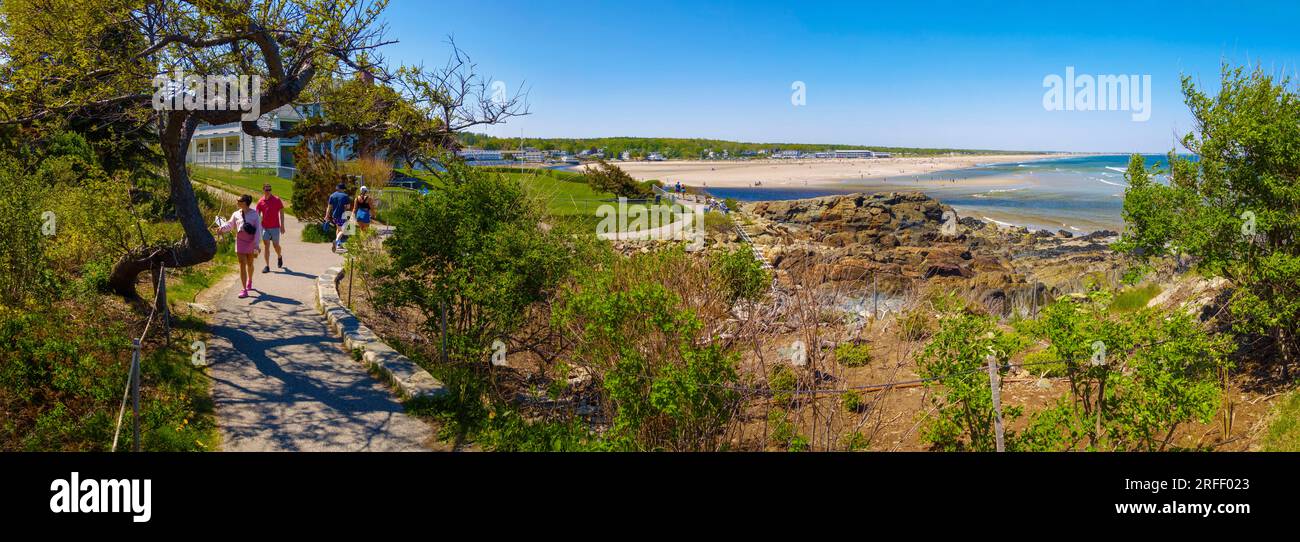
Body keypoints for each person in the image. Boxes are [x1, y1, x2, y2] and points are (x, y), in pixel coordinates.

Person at [214, 194, 263, 299]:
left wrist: (256, 245)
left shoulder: (255, 215)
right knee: (242, 264)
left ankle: (250, 280)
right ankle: (244, 289)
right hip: (240, 241)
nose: (237, 202)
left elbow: (258, 231)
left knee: (250, 264)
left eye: (239, 200)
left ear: (245, 202)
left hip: (251, 242)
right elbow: (230, 225)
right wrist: (222, 229)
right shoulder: (236, 214)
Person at [256, 183, 286, 273]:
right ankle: (267, 266)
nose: (268, 191)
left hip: (275, 227)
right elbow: (257, 215)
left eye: (269, 189)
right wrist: (257, 226)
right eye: (266, 190)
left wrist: (282, 225)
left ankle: (279, 256)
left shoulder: (277, 200)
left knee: (276, 245)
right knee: (266, 246)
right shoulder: (260, 201)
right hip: (265, 227)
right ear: (263, 190)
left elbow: (281, 212)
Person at [326, 182, 351, 252]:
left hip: (335, 216)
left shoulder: (332, 195)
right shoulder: (345, 196)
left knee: (338, 229)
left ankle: (338, 244)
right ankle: (336, 241)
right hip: (342, 216)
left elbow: (329, 207)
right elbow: (348, 206)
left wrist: (327, 215)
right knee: (343, 230)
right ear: (342, 189)